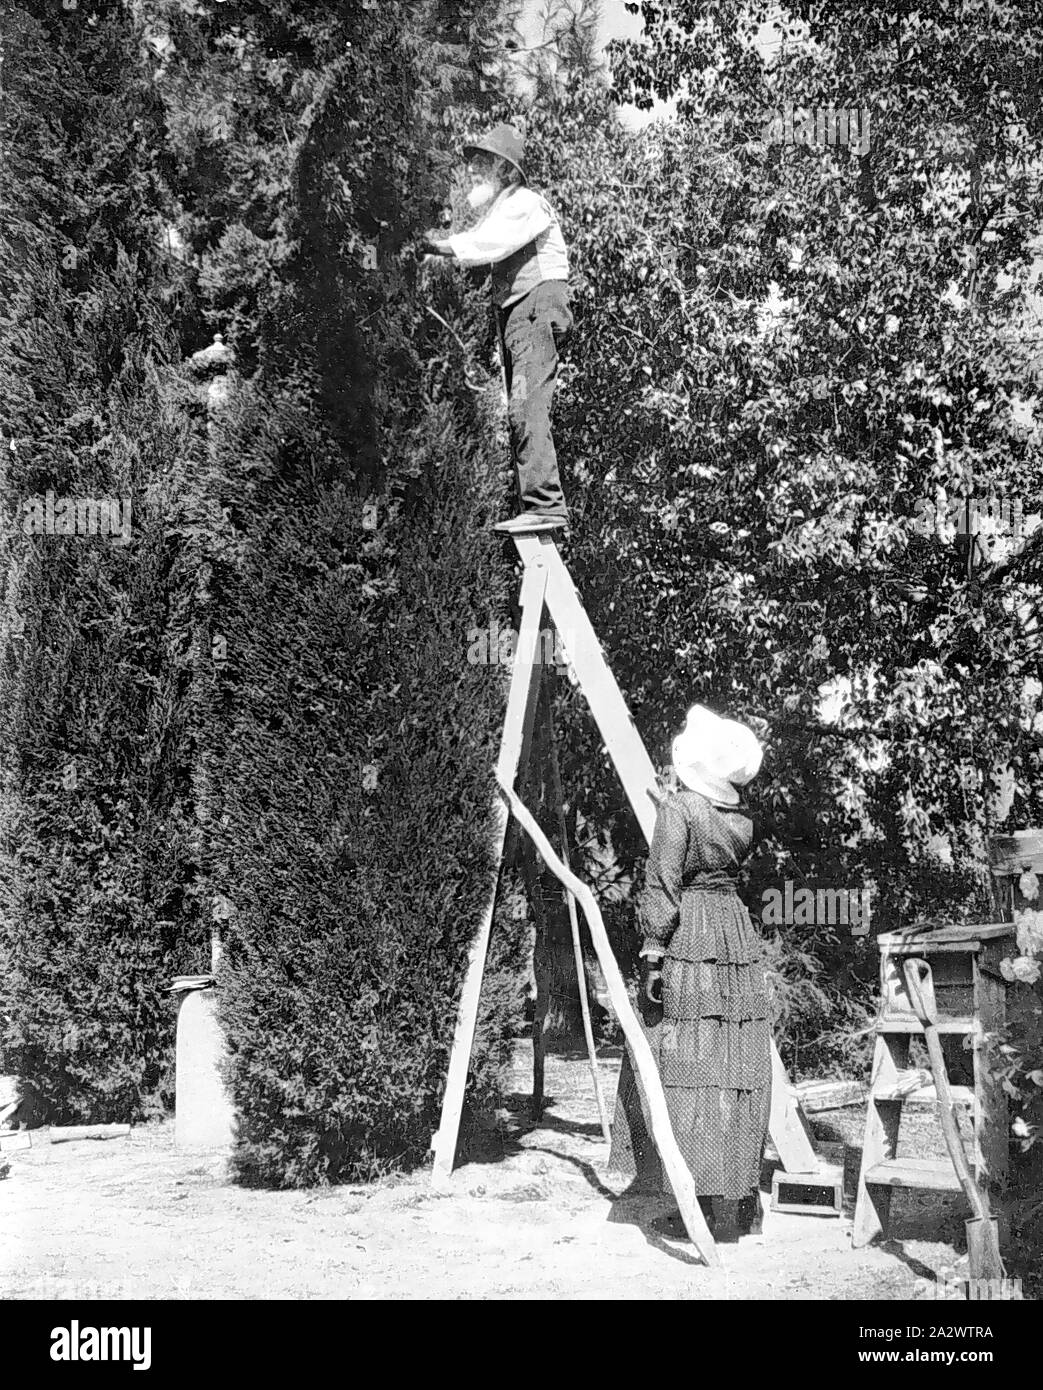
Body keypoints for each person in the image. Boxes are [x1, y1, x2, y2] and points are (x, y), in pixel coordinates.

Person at [608, 704, 771, 1242]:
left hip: (692, 937)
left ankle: (696, 1200)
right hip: (734, 935)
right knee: (730, 1059)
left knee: (681, 1055)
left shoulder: (679, 811)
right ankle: (733, 1201)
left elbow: (662, 882)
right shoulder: (741, 818)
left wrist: (654, 951)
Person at [423, 123, 572, 534]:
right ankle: (537, 502)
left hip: (535, 310)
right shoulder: (504, 207)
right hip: (522, 316)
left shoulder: (523, 202)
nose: (473, 172)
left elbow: (484, 243)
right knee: (520, 407)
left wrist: (432, 245)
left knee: (527, 406)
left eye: (482, 165)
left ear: (506, 171)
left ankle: (545, 505)